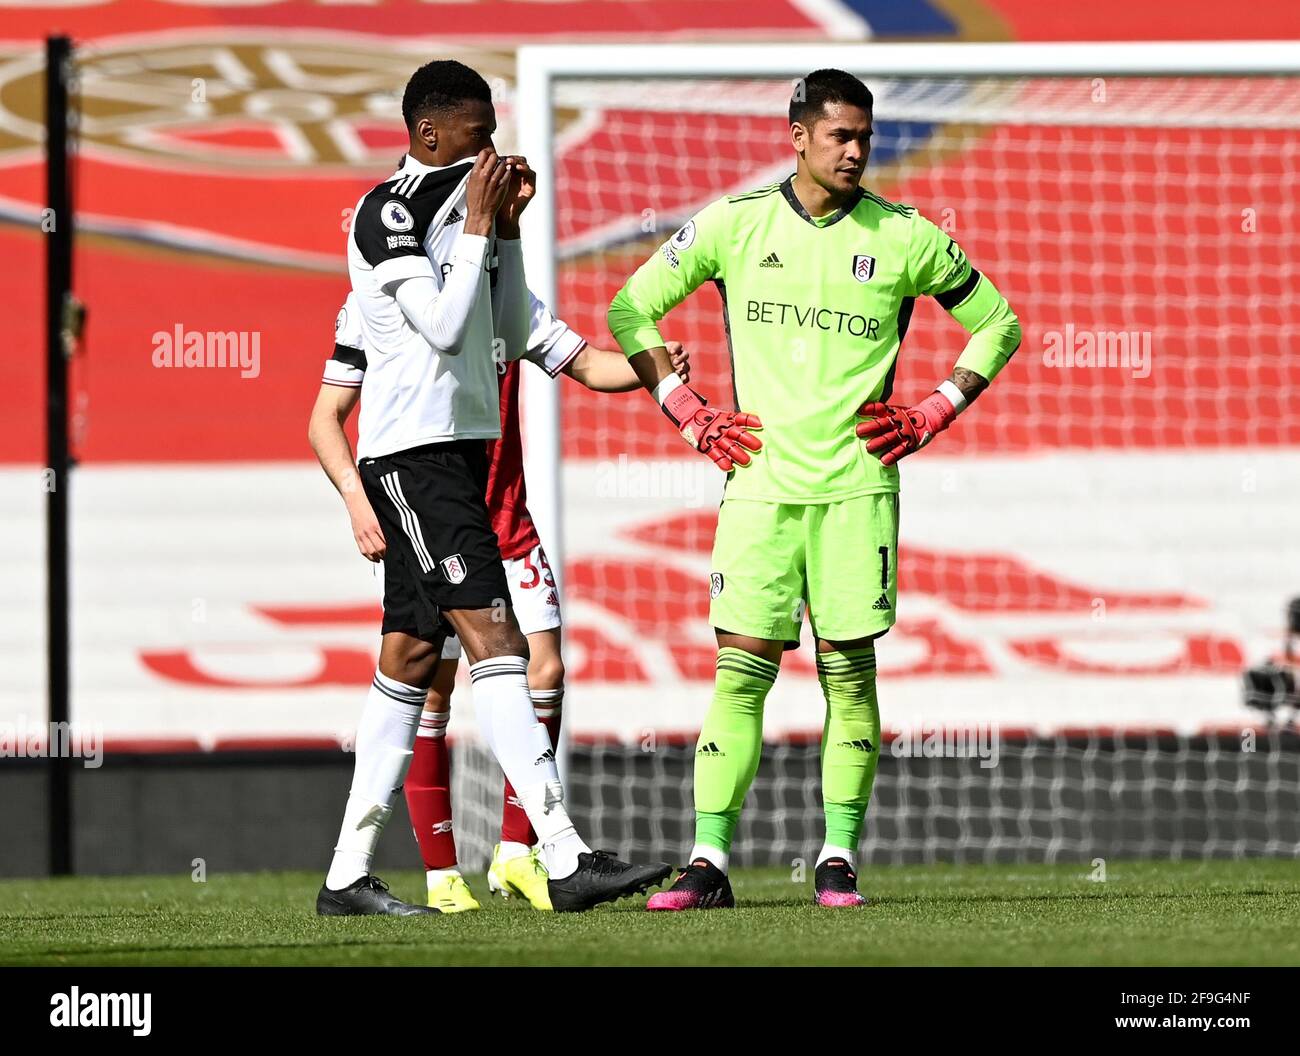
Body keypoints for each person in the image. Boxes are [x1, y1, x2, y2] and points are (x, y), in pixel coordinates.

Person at [606, 68, 1021, 909]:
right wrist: (687, 411)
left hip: (857, 490)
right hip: (759, 488)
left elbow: (999, 323)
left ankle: (836, 857)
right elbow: (629, 309)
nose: (856, 151)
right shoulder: (734, 224)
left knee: (850, 674)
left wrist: (935, 410)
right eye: (840, 136)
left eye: (864, 136)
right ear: (797, 135)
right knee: (739, 671)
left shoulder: (905, 236)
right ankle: (710, 861)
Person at [316, 58, 669, 915]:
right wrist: (480, 220)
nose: (492, 154)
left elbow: (523, 338)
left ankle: (345, 877)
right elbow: (439, 328)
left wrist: (506, 232)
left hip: (457, 464)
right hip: (412, 462)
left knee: (406, 661)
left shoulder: (475, 218)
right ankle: (561, 852)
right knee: (497, 643)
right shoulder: (386, 211)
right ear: (431, 134)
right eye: (479, 138)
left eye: (496, 138)